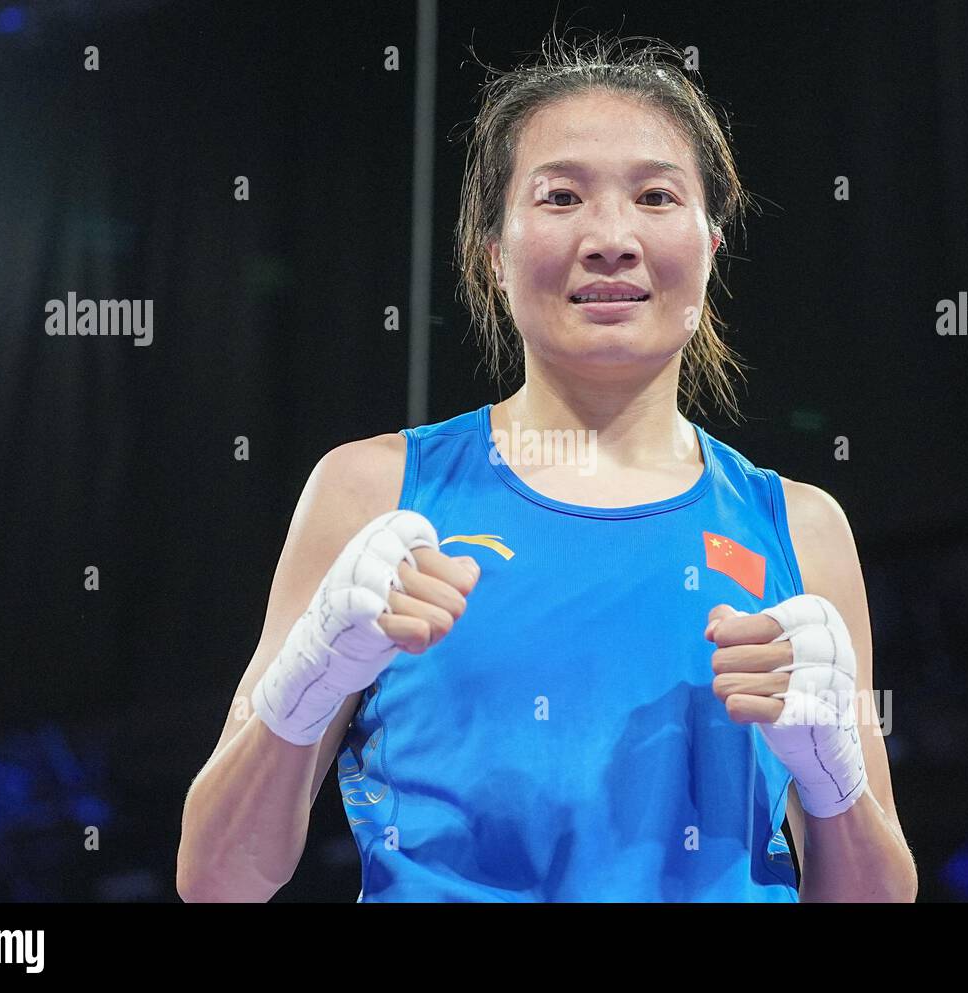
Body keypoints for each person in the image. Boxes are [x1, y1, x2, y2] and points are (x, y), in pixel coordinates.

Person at [177, 32, 917, 903]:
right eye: (561, 195)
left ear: (713, 242)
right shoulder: (373, 493)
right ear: (490, 251)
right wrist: (310, 675)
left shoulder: (803, 529)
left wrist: (834, 776)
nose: (611, 238)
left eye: (655, 195)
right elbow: (217, 880)